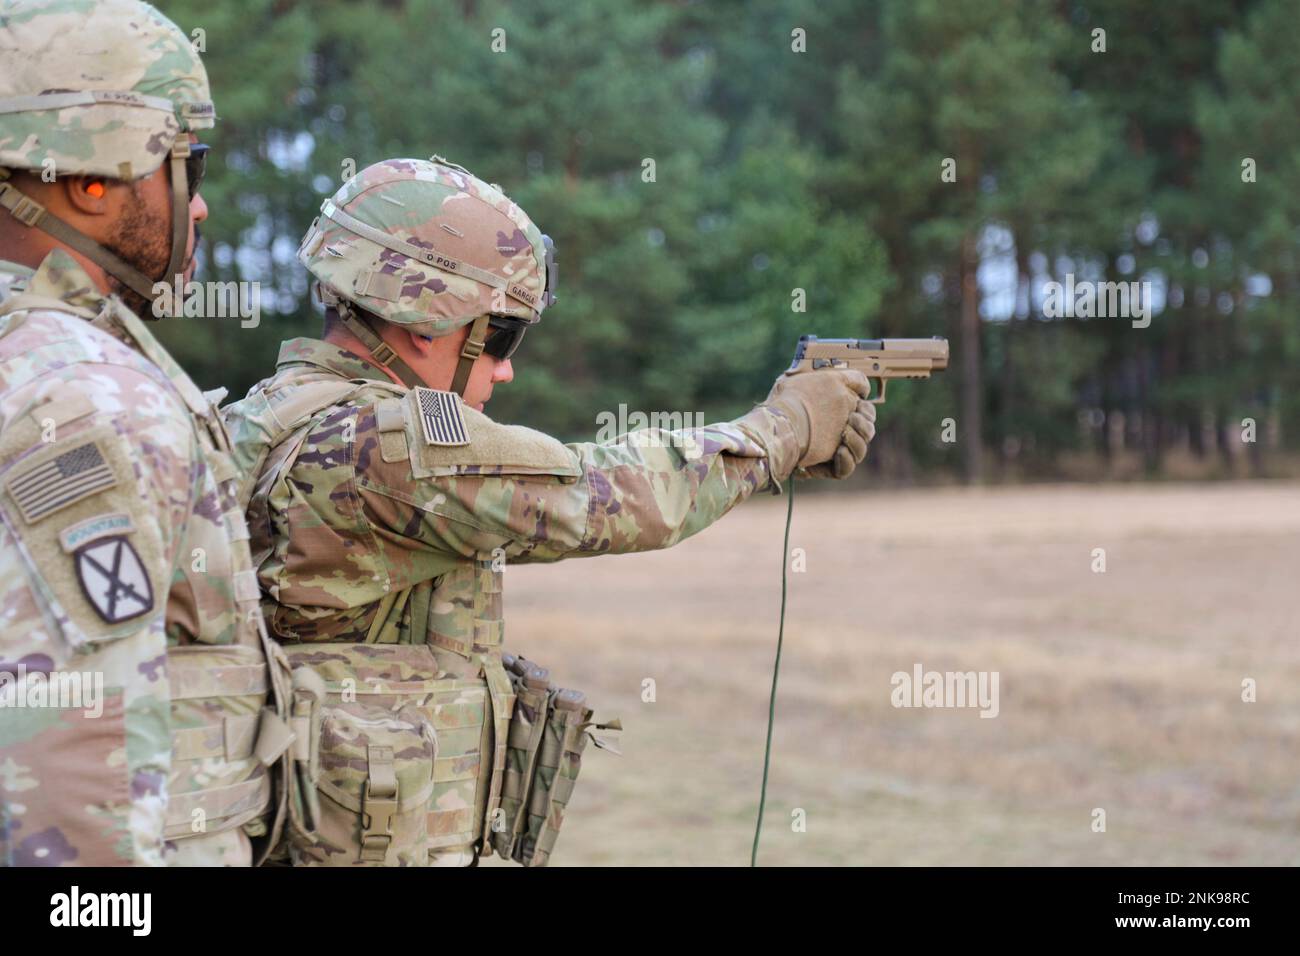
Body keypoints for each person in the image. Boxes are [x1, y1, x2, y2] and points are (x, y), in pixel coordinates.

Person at [223, 156, 875, 866]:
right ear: (428, 323)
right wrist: (779, 432)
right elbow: (613, 497)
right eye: (499, 336)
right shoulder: (381, 447)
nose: (505, 369)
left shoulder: (259, 416)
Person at [0, 0, 296, 867]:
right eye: (185, 167)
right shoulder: (82, 395)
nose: (197, 208)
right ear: (91, 179)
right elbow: (71, 768)